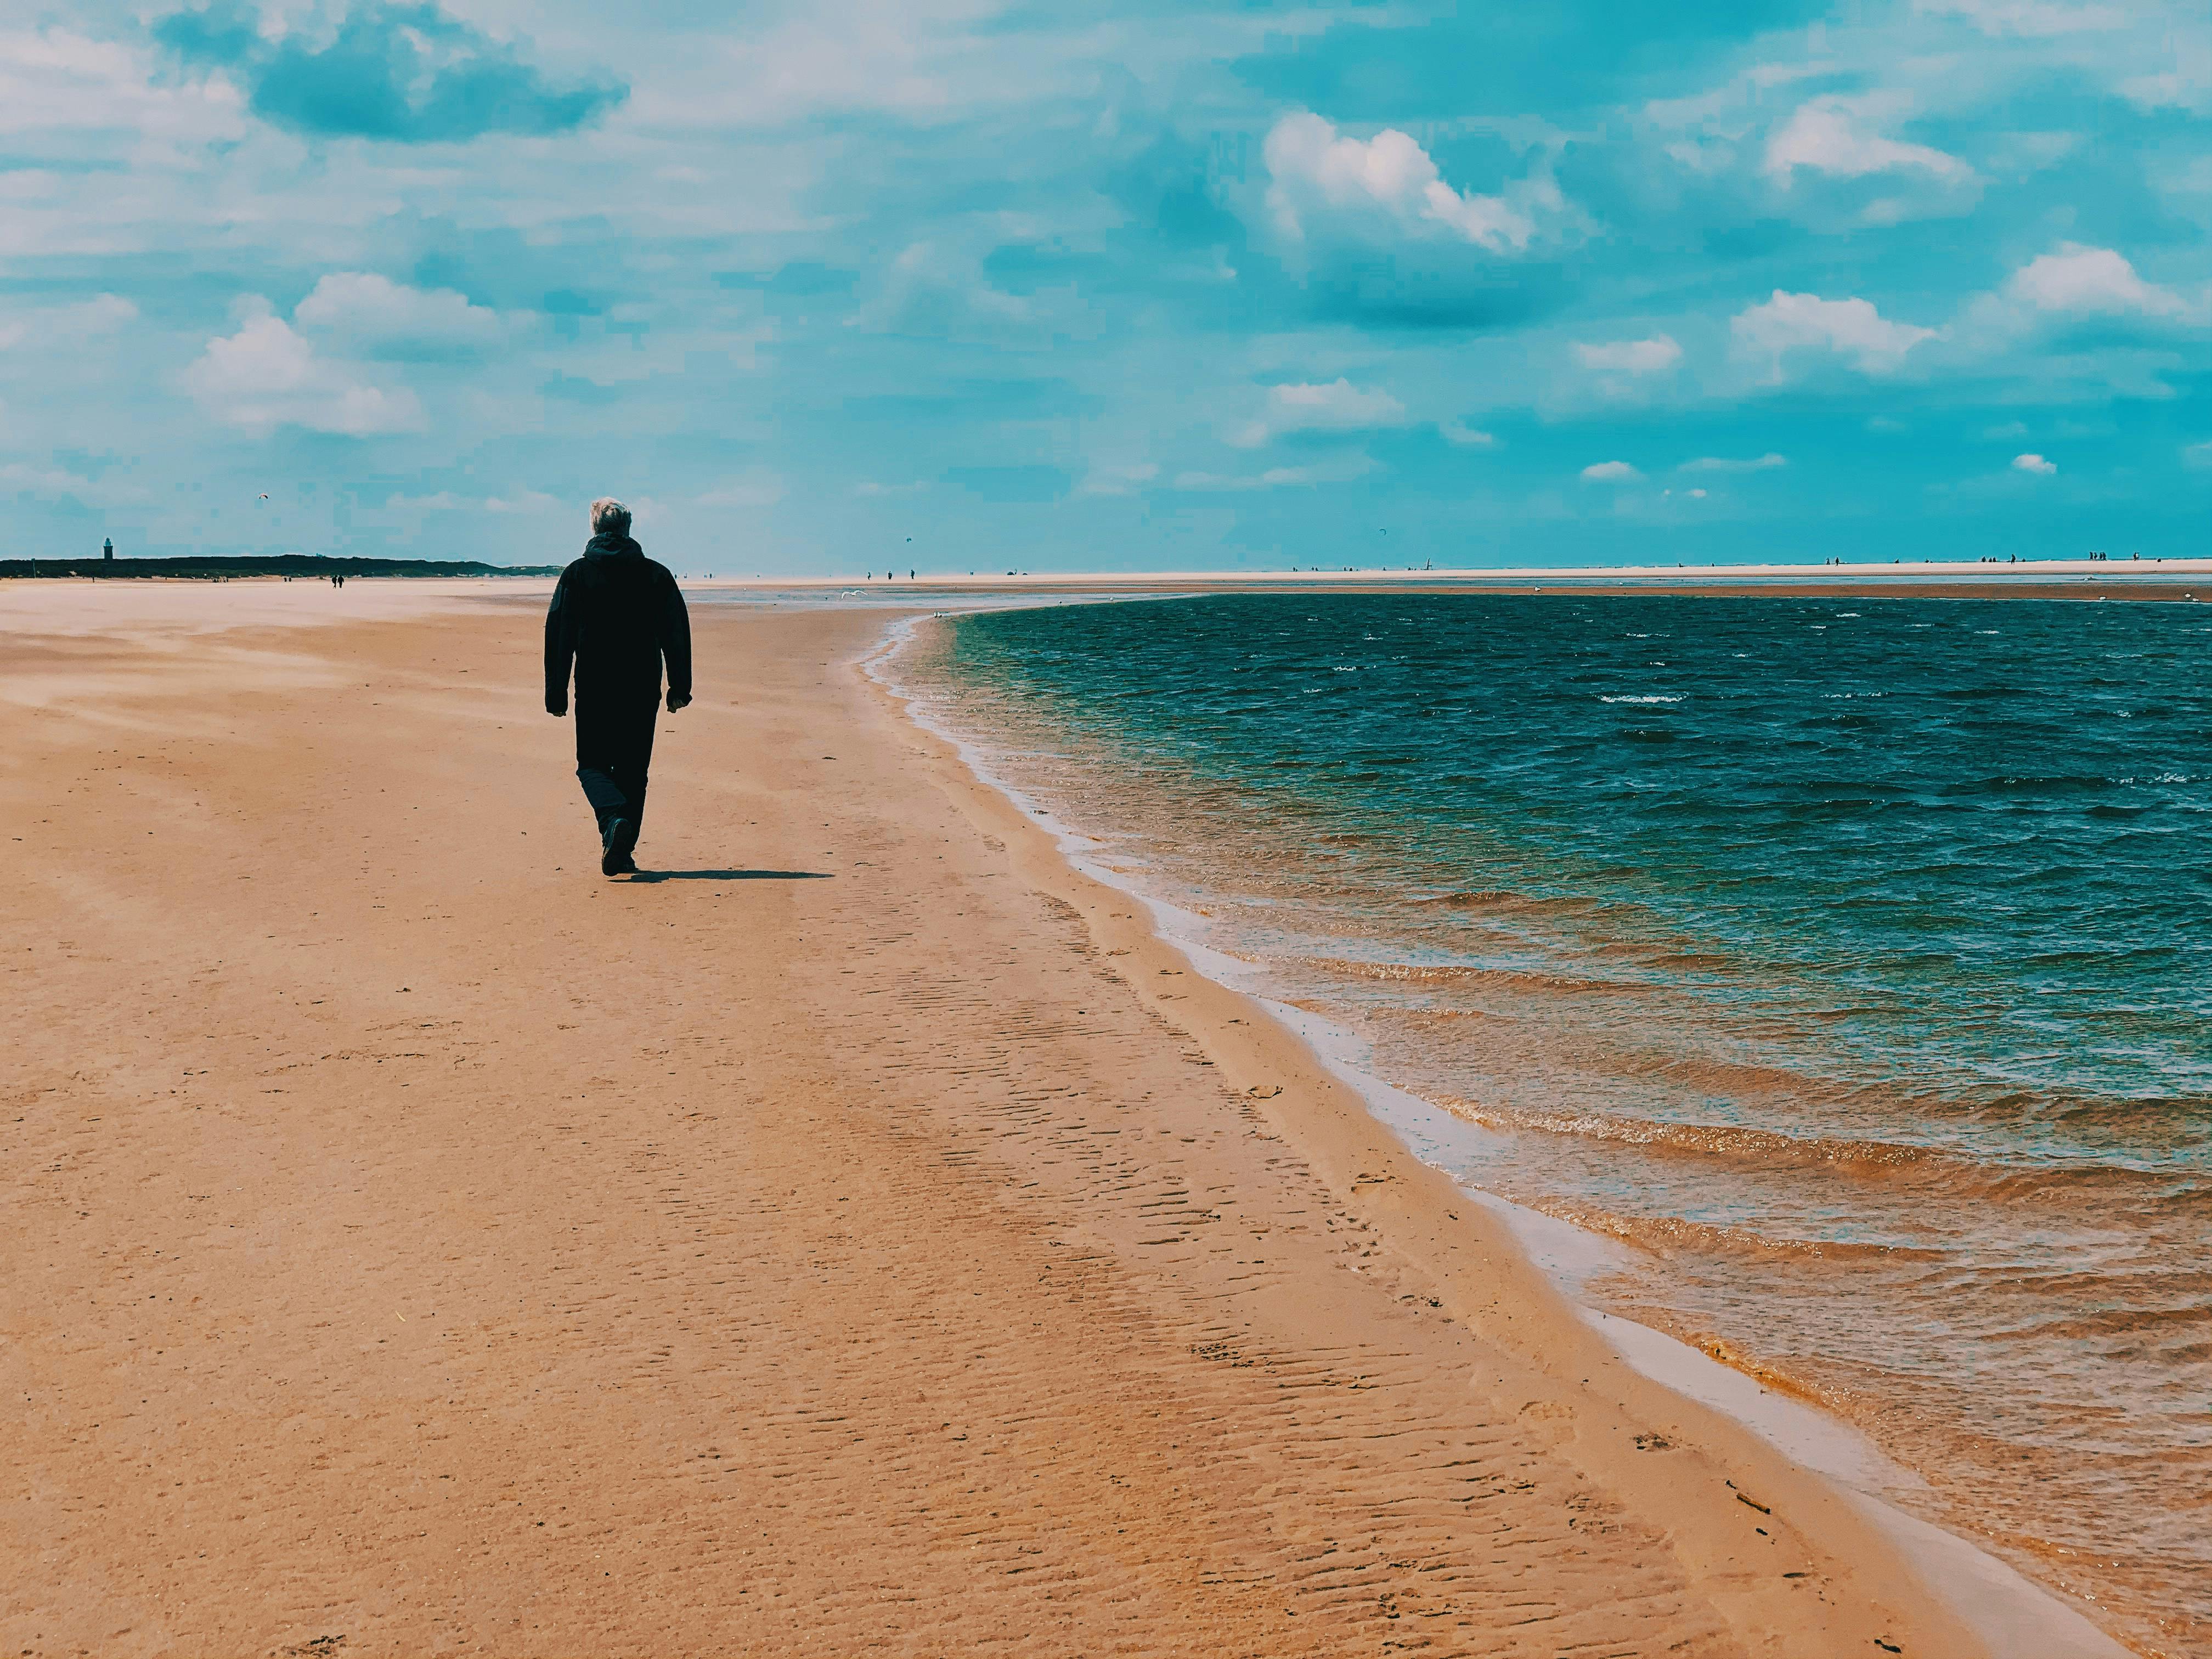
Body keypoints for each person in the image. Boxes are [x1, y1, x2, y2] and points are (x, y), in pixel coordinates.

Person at [543, 498, 692, 876]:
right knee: (632, 771)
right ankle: (621, 848)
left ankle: (613, 825)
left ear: (595, 529)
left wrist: (555, 691)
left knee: (592, 765)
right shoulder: (656, 575)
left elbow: (558, 635)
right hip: (642, 686)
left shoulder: (577, 574)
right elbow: (676, 634)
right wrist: (679, 687)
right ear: (628, 529)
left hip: (594, 685)